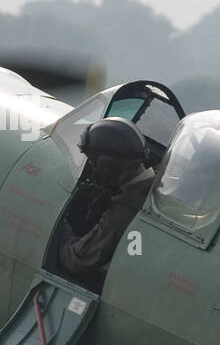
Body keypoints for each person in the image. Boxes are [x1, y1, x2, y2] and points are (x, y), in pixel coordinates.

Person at [58, 117, 155, 288]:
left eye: (92, 162)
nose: (91, 168)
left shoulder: (126, 210)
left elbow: (77, 259)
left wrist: (60, 224)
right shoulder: (160, 184)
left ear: (106, 167)